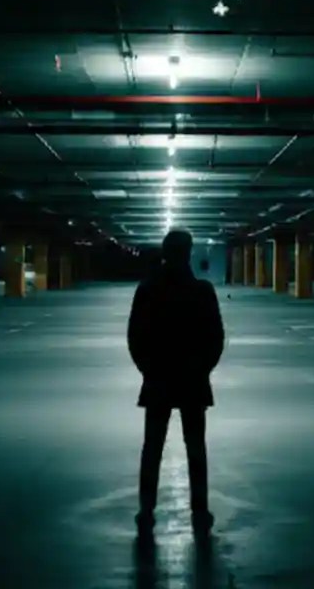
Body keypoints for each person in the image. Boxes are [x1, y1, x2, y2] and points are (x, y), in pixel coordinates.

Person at [128, 229, 225, 534]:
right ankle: (200, 508)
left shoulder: (147, 290)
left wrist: (149, 370)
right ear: (189, 252)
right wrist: (202, 370)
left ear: (165, 252)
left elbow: (135, 338)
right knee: (195, 447)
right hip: (193, 382)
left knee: (152, 447)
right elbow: (215, 338)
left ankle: (146, 508)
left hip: (158, 380)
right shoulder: (202, 291)